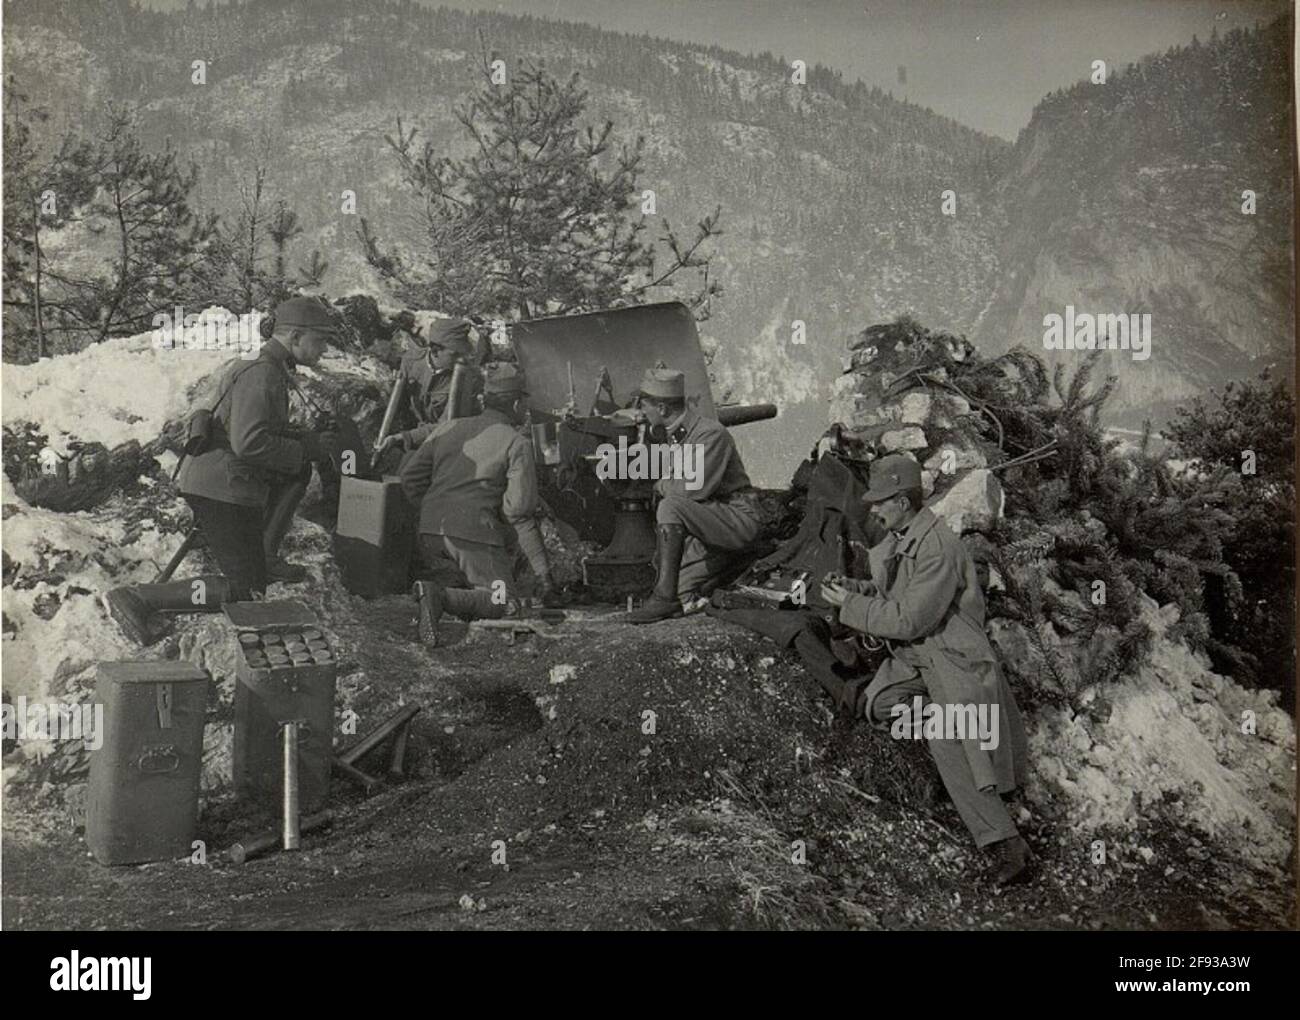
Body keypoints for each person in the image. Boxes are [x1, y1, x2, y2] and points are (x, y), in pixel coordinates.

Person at [819, 454, 1033, 887]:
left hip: (955, 658)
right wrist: (857, 590)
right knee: (880, 705)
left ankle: (1007, 845)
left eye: (880, 502)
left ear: (902, 500)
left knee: (951, 739)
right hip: (922, 657)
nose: (873, 510)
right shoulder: (905, 536)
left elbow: (909, 620)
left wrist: (851, 607)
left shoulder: (935, 546)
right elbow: (896, 595)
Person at [102, 297, 345, 645]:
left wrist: (302, 441)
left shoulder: (265, 365)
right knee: (244, 589)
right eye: (319, 340)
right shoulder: (263, 373)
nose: (323, 349)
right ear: (294, 336)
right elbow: (249, 443)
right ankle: (141, 598)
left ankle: (262, 556)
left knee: (253, 576)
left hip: (223, 479)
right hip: (222, 485)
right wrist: (308, 447)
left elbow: (244, 429)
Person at [399, 363, 556, 645]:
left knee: (475, 577)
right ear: (518, 404)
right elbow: (518, 511)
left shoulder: (450, 427)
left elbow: (409, 476)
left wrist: (431, 508)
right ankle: (439, 597)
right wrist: (544, 573)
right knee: (505, 601)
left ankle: (447, 593)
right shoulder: (516, 442)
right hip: (470, 536)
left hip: (430, 533)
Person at [629, 367, 762, 624]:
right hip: (710, 526)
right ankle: (725, 569)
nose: (642, 413)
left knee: (670, 507)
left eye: (645, 407)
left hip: (737, 519)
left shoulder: (709, 434)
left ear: (663, 409)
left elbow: (692, 489)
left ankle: (663, 601)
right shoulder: (675, 437)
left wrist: (659, 485)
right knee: (682, 588)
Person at [377, 317, 483, 457]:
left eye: (463, 353)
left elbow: (448, 426)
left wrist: (403, 437)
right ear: (435, 351)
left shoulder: (467, 376)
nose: (462, 358)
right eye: (455, 354)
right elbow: (400, 407)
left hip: (453, 442)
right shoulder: (411, 362)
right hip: (417, 435)